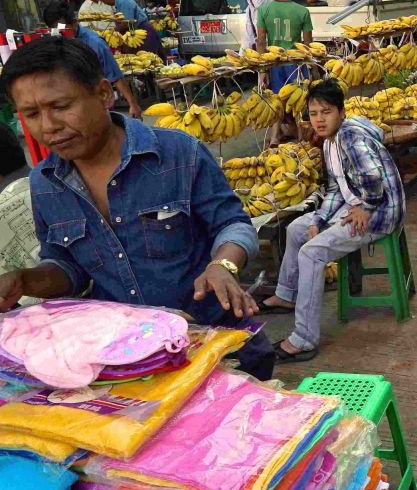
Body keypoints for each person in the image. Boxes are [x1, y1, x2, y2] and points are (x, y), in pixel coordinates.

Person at [0, 36, 273, 379]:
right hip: (125, 363)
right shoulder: (45, 182)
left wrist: (223, 266)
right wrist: (25, 281)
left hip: (217, 344)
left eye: (60, 106)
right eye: (32, 114)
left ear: (103, 94)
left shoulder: (179, 153)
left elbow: (233, 224)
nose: (49, 126)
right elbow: (68, 268)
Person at [260, 81, 405, 362]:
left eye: (325, 112)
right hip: (357, 205)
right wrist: (319, 218)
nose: (318, 119)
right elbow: (337, 188)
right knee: (297, 229)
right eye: (313, 113)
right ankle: (287, 294)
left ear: (340, 111)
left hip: (380, 213)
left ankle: (303, 339)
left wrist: (366, 206)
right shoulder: (329, 143)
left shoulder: (351, 138)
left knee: (312, 253)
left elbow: (373, 179)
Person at [41, 1, 142, 119]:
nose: (60, 34)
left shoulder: (95, 43)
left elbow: (114, 74)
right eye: (56, 31)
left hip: (94, 104)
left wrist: (132, 104)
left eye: (64, 30)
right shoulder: (57, 41)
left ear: (74, 23)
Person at [256, 0, 313, 93]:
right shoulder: (303, 11)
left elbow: (260, 41)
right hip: (296, 64)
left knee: (278, 103)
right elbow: (308, 45)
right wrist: (313, 69)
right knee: (299, 102)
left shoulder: (263, 10)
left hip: (274, 65)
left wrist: (262, 70)